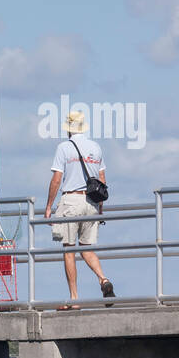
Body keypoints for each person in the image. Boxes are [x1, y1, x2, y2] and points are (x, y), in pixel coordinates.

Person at [45, 109, 114, 309]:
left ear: (68, 129)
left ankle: (74, 299)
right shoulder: (96, 148)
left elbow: (57, 179)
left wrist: (49, 206)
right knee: (87, 248)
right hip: (91, 203)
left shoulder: (64, 148)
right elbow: (102, 181)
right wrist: (100, 208)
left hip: (72, 201)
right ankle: (103, 279)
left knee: (69, 249)